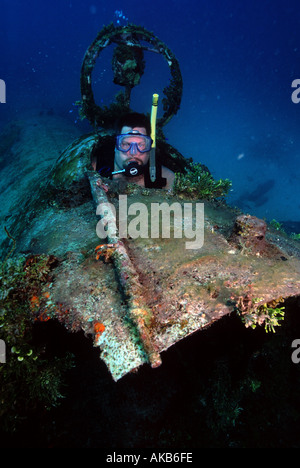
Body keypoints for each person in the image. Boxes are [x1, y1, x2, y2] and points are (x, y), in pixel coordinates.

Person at [91, 112, 175, 189]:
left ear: (149, 149)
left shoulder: (167, 179)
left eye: (141, 145)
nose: (133, 153)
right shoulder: (94, 167)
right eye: (126, 144)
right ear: (115, 146)